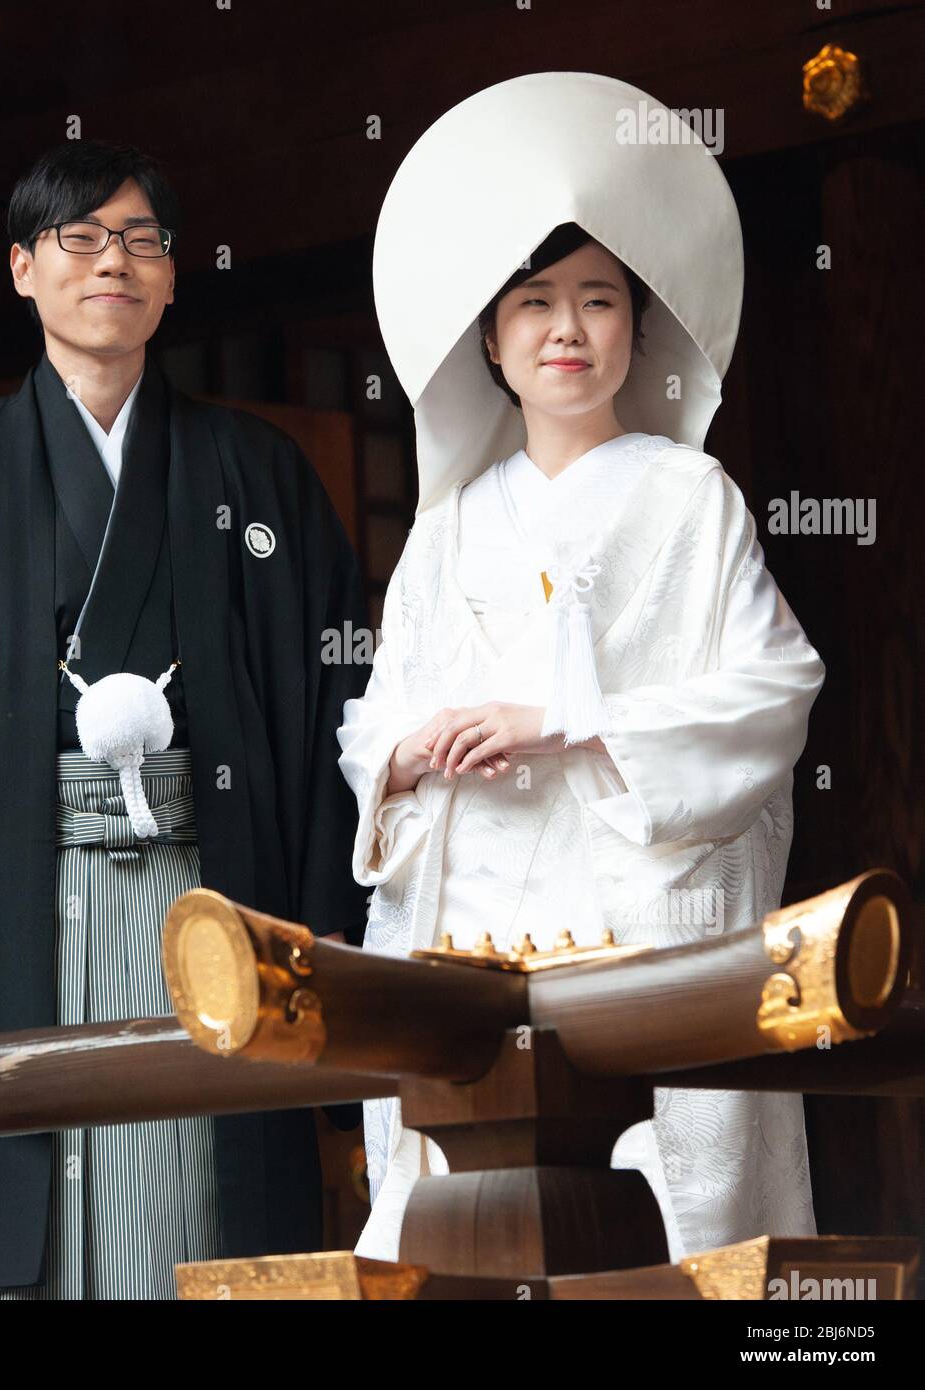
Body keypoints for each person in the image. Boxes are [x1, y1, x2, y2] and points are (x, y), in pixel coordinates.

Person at [0, 140, 369, 1297]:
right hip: (0, 917)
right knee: (19, 1208)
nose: (110, 262)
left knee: (199, 1201)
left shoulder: (257, 474)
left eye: (139, 240)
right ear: (23, 269)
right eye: (78, 238)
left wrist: (326, 966)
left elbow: (335, 720)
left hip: (219, 897)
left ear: (173, 277)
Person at [338, 73, 826, 1264]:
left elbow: (773, 690)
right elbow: (376, 715)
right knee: (460, 1236)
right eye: (536, 303)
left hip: (631, 933)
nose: (567, 329)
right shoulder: (448, 524)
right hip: (471, 934)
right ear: (493, 341)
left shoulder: (685, 494)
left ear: (635, 329)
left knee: (657, 1234)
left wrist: (567, 721)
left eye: (598, 301)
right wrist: (403, 751)